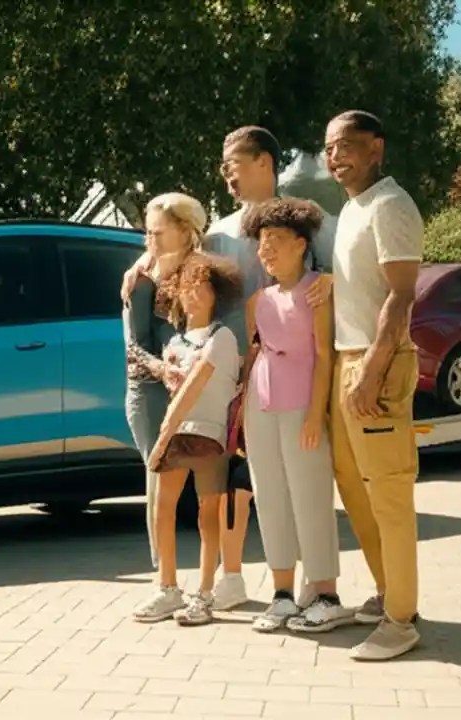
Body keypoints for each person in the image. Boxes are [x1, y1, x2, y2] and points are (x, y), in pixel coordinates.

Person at [123, 126, 337, 611]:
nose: (226, 177)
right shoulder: (219, 232)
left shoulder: (310, 223)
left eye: (232, 165)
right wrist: (138, 263)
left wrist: (335, 282)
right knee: (243, 485)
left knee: (301, 482)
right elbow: (172, 251)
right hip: (233, 381)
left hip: (300, 379)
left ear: (264, 162)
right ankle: (239, 579)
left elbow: (340, 278)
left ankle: (316, 586)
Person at [323, 110, 424, 661]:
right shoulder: (351, 209)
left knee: (388, 493)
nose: (335, 156)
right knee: (351, 482)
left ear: (376, 148)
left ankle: (401, 621)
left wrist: (374, 367)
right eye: (329, 148)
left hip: (377, 361)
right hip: (347, 357)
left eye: (346, 145)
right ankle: (389, 590)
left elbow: (401, 295)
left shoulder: (391, 205)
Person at [238, 198, 354, 634]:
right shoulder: (257, 301)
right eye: (261, 242)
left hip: (302, 403)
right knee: (270, 498)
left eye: (276, 241)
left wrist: (314, 414)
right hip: (261, 405)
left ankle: (325, 592)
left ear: (301, 244)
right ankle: (283, 594)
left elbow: (325, 357)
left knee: (310, 496)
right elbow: (255, 355)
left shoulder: (318, 291)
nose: (265, 250)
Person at [134, 250, 244, 626]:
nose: (193, 295)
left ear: (217, 294)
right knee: (162, 509)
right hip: (178, 432)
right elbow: (173, 386)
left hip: (208, 437)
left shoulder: (223, 337)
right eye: (185, 288)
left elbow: (193, 390)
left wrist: (162, 438)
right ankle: (168, 587)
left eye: (201, 288)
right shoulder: (174, 344)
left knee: (206, 515)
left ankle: (204, 594)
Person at [124, 193, 198, 569]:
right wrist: (163, 369)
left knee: (194, 484)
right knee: (158, 479)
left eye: (159, 233)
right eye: (147, 234)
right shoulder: (140, 280)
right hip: (150, 389)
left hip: (190, 383)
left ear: (185, 231)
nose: (151, 242)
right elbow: (133, 346)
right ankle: (163, 577)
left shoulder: (196, 269)